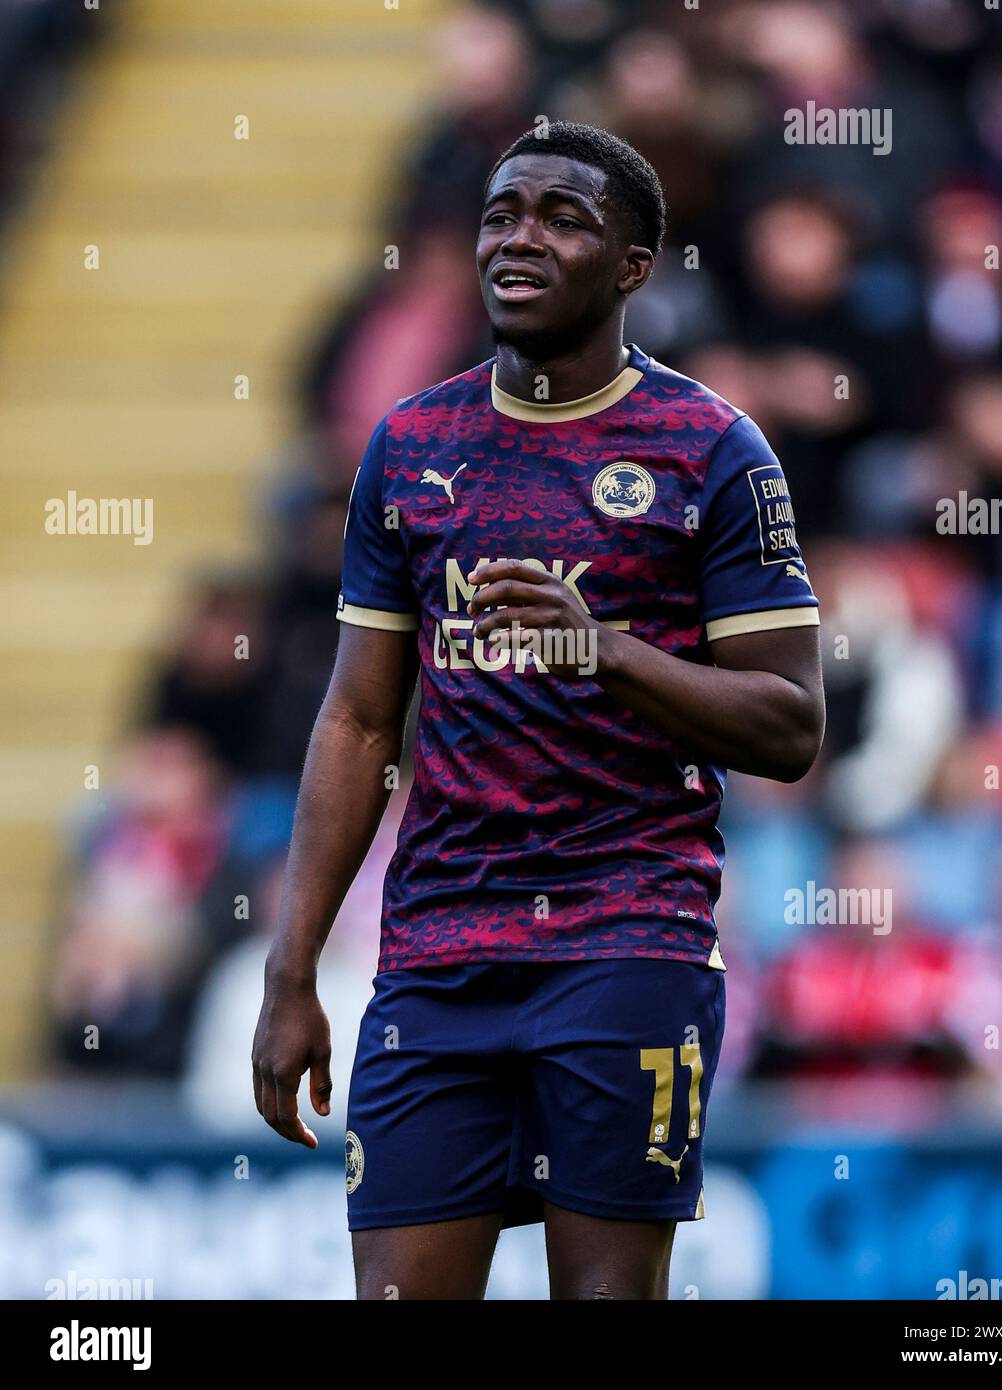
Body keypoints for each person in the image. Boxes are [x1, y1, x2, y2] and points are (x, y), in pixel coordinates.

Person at [251, 122, 825, 1300]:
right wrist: (292, 969)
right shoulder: (411, 448)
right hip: (436, 954)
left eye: (563, 217)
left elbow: (790, 723)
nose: (520, 236)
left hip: (628, 935)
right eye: (502, 213)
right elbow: (360, 723)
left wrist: (602, 648)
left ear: (632, 266)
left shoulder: (714, 451)